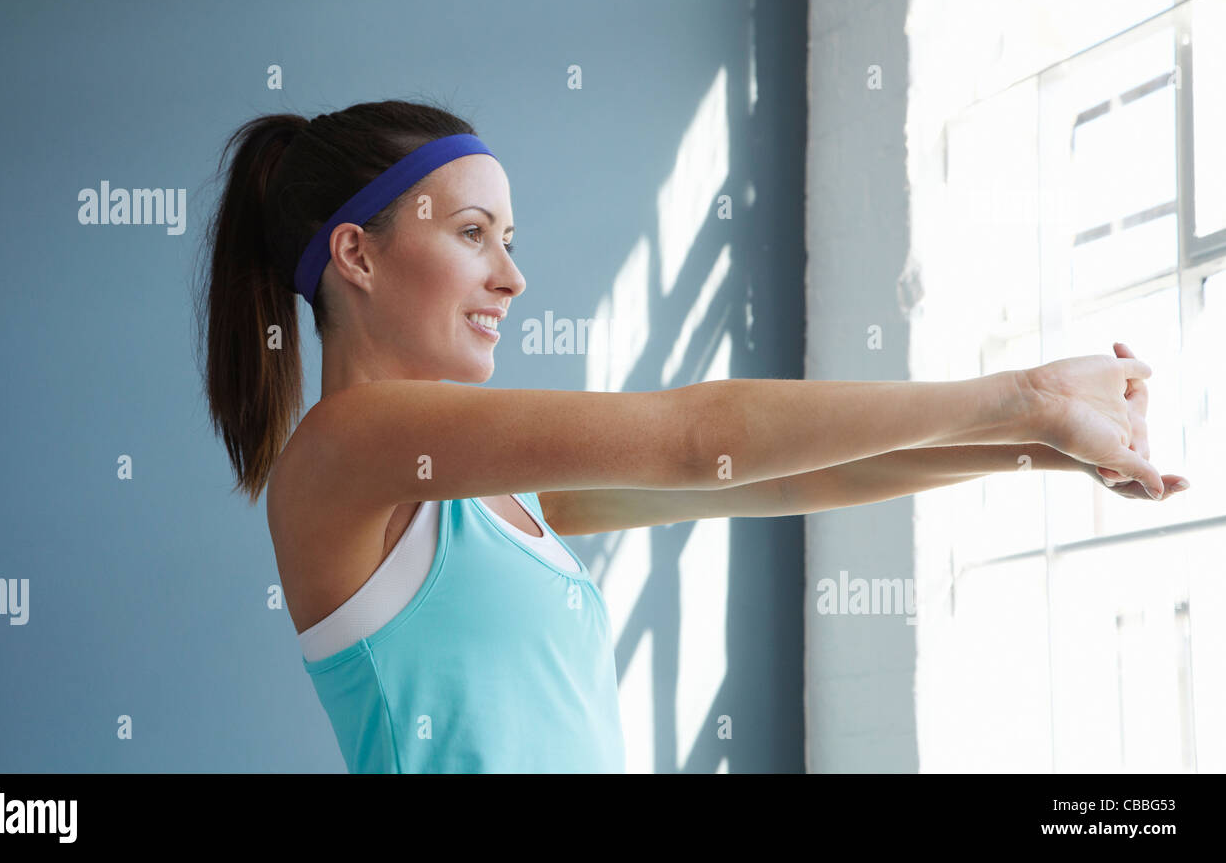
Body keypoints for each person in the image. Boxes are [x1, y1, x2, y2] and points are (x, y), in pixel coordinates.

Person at [195, 97, 1189, 773]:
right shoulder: (344, 450)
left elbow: (763, 479)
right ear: (356, 254)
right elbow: (690, 434)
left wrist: (1041, 441)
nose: (511, 275)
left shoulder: (495, 491)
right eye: (470, 233)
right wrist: (1019, 392)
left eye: (510, 238)